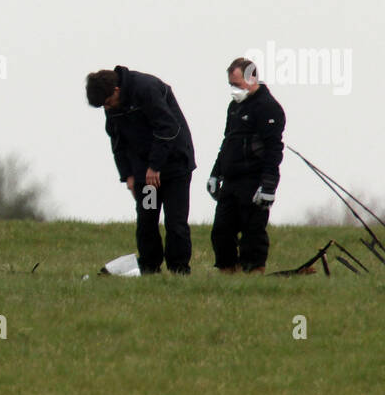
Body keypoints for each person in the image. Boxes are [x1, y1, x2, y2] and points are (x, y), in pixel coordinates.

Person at [85, 66, 196, 274]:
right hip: (145, 175)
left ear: (116, 90)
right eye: (103, 106)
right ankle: (149, 266)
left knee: (175, 222)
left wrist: (155, 166)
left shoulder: (146, 89)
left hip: (175, 168)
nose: (107, 108)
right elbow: (118, 142)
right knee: (147, 218)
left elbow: (168, 128)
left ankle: (179, 270)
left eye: (108, 102)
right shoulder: (112, 108)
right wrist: (127, 174)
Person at [206, 58, 286, 273]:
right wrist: (216, 174)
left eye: (237, 85)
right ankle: (228, 274)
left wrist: (268, 186)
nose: (234, 90)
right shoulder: (234, 107)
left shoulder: (269, 108)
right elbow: (227, 142)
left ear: (252, 79)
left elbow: (273, 150)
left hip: (254, 180)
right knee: (221, 231)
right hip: (231, 180)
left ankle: (254, 275)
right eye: (231, 84)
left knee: (253, 232)